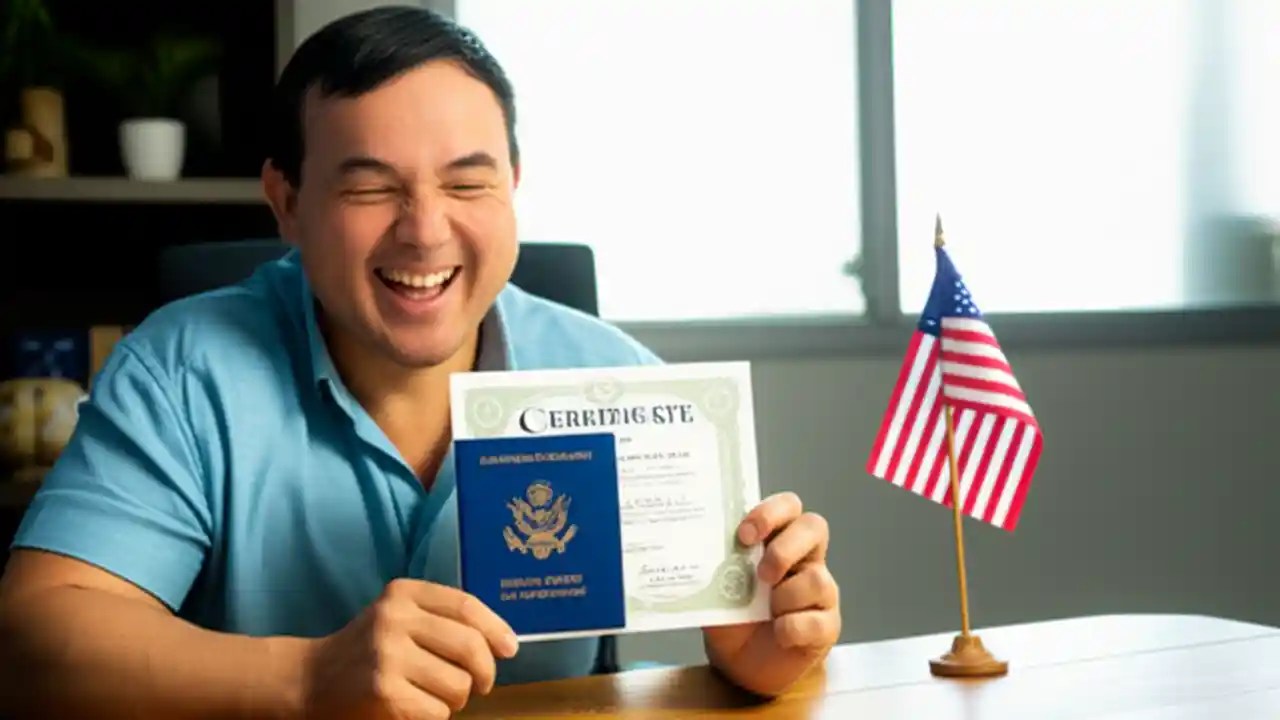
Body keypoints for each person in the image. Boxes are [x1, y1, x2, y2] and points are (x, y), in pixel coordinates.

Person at [0, 6, 841, 719]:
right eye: (371, 188)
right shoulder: (181, 370)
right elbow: (34, 644)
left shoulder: (623, 379)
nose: (425, 230)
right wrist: (305, 678)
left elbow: (734, 649)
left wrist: (757, 653)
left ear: (513, 182)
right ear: (286, 203)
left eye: (468, 184)